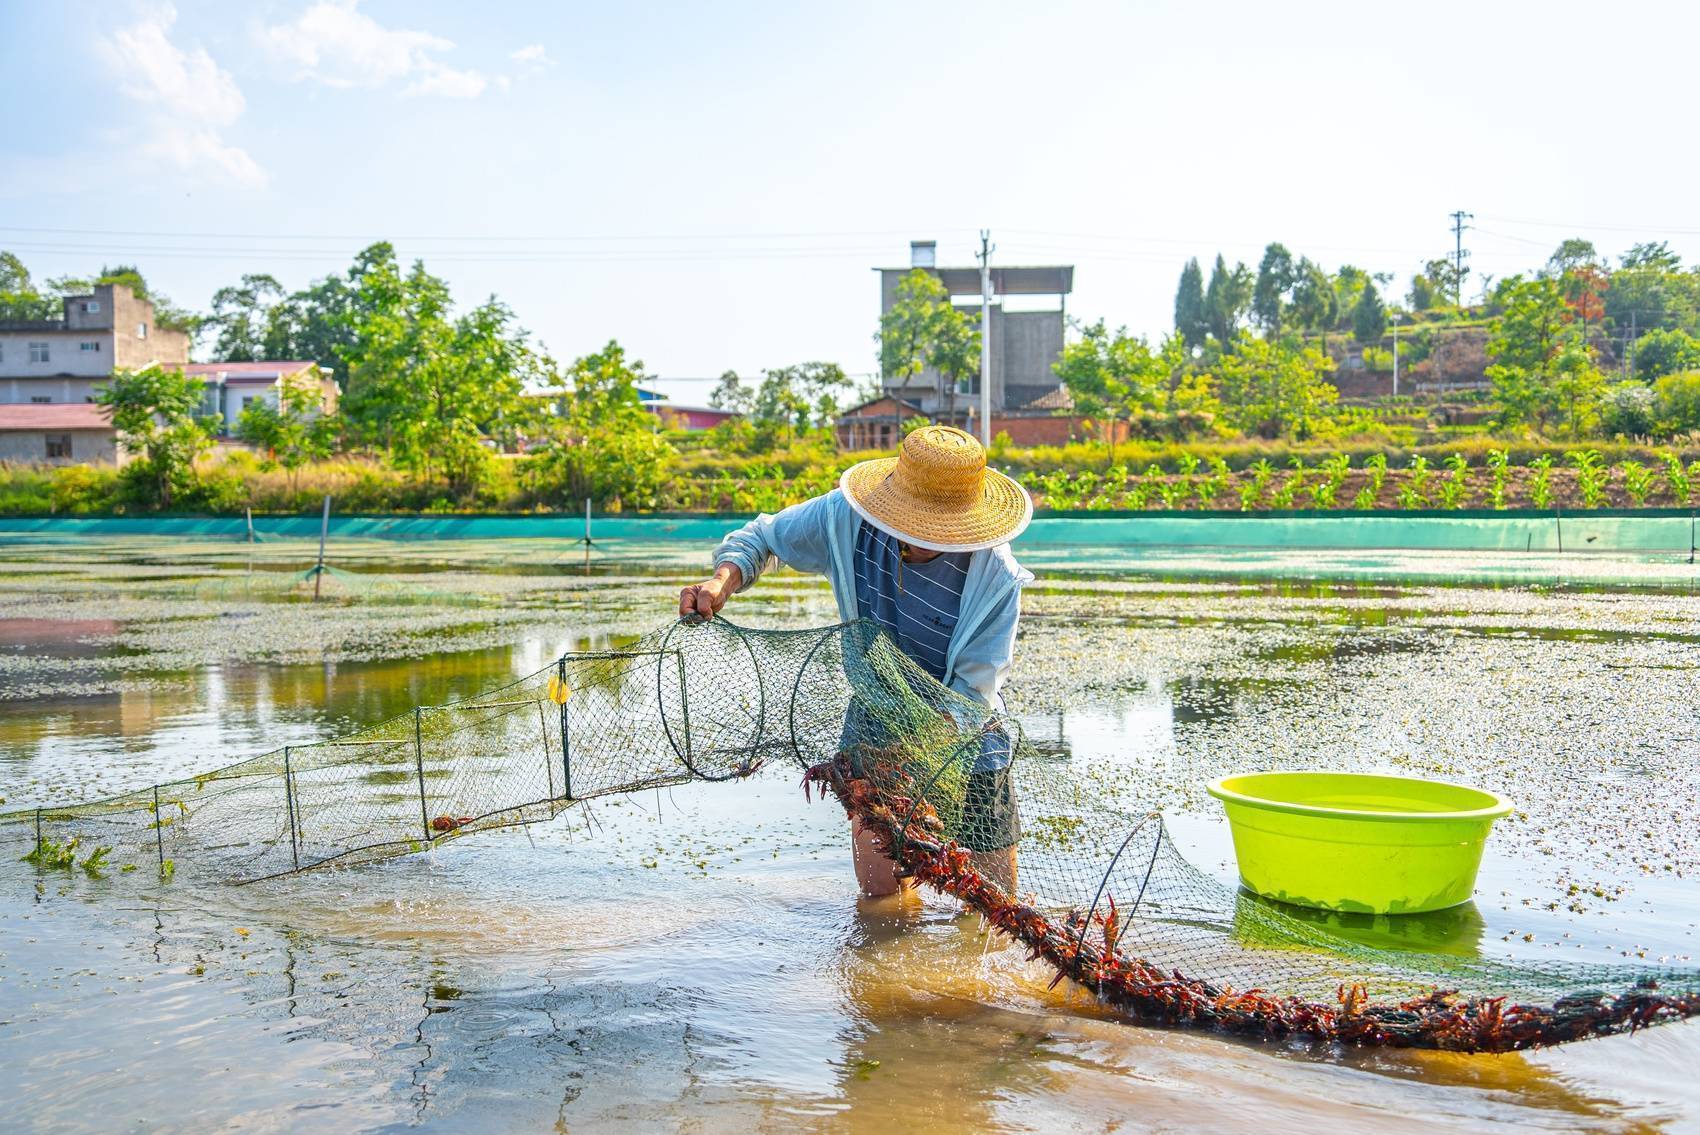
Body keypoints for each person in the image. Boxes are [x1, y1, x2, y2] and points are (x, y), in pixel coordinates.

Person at [678, 424, 1033, 896]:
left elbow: (971, 697)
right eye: (913, 525)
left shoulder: (997, 580)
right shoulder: (848, 519)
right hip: (875, 722)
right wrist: (722, 582)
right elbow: (761, 537)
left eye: (941, 530)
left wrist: (911, 757)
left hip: (967, 744)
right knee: (881, 908)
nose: (923, 539)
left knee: (993, 911)